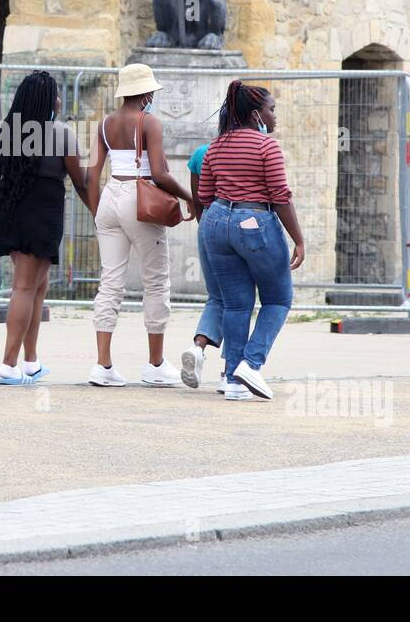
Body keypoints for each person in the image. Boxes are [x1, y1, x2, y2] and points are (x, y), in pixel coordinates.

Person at [0, 71, 88, 385]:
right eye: (57, 95)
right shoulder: (62, 134)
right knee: (24, 287)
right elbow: (81, 182)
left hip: (9, 214)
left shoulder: (2, 134)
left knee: (38, 285)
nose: (60, 101)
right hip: (41, 216)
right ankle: (8, 365)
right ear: (47, 101)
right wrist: (100, 213)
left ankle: (31, 362)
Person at [86, 63, 194, 388]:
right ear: (146, 93)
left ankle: (102, 365)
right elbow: (160, 174)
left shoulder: (105, 124)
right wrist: (191, 197)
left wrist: (98, 213)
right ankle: (155, 364)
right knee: (156, 281)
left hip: (109, 197)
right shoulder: (149, 122)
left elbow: (91, 175)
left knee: (110, 282)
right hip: (139, 198)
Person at [197, 81, 305, 401]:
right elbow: (280, 197)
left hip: (216, 222)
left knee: (236, 303)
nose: (274, 117)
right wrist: (298, 240)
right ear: (256, 114)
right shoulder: (265, 146)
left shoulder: (216, 145)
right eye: (272, 110)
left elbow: (204, 195)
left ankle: (232, 378)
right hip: (254, 221)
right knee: (278, 299)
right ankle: (251, 363)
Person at [182, 135, 226, 392]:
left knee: (217, 297)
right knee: (239, 302)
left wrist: (207, 227)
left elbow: (199, 200)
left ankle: (197, 347)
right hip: (244, 222)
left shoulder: (201, 153)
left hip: (209, 222)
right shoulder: (258, 144)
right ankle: (229, 371)